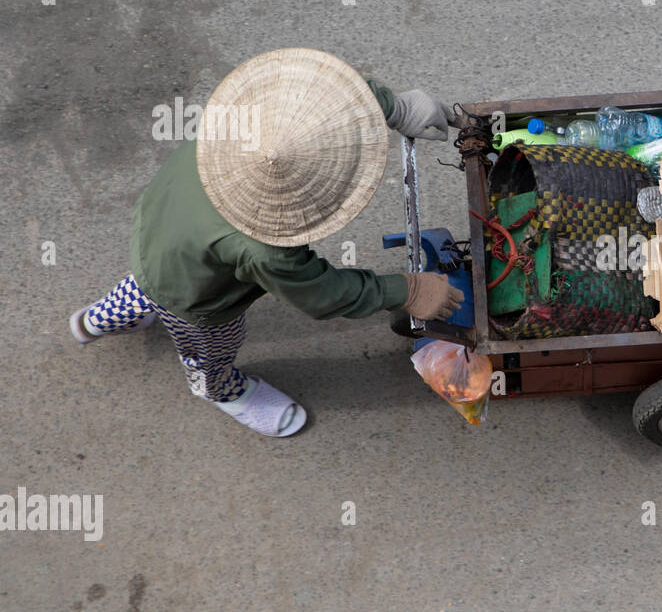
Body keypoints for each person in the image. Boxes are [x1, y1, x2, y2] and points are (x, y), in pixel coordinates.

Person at [70, 48, 462, 437]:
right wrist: (404, 289)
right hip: (194, 294)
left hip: (161, 220)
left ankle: (95, 320)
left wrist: (394, 107)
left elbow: (327, 103)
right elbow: (323, 294)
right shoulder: (265, 249)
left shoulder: (253, 118)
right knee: (210, 345)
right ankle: (219, 390)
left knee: (150, 278)